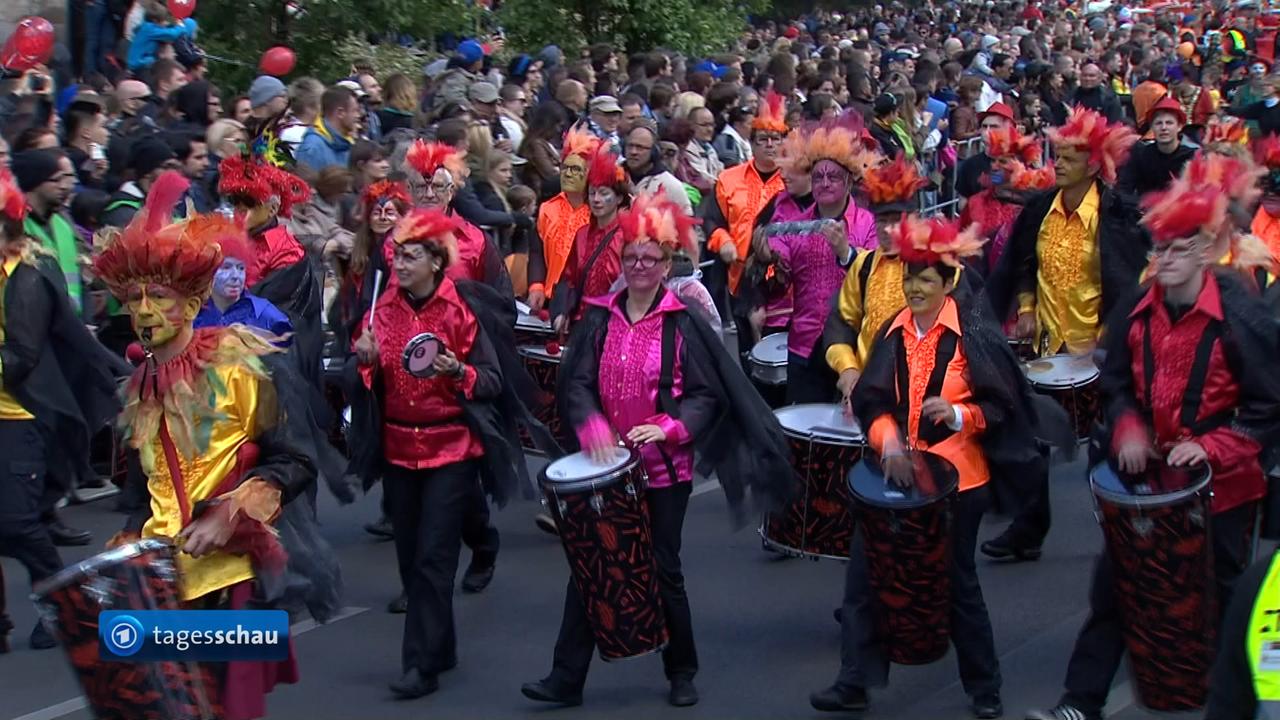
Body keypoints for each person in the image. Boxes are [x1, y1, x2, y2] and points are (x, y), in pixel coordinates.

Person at [1026, 153, 1280, 720]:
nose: (1164, 260)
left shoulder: (1242, 314)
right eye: (1159, 249)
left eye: (1178, 249)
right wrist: (1129, 428)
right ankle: (1079, 704)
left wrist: (1209, 447)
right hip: (1151, 482)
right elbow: (1115, 387)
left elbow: (1269, 410)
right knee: (1114, 588)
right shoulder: (1138, 311)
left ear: (1207, 251)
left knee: (1221, 601)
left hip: (1225, 490)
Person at [522, 192, 793, 709]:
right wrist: (591, 426)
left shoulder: (682, 321)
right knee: (589, 564)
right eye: (632, 258)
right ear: (622, 263)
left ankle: (681, 670)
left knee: (662, 567)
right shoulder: (599, 318)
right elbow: (575, 383)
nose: (640, 266)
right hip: (606, 470)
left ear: (668, 264)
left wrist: (666, 428)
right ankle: (565, 678)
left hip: (665, 470)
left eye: (651, 258)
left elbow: (705, 395)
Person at [94, 173, 342, 720]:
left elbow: (296, 459)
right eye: (134, 299)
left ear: (190, 299)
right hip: (163, 579)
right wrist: (127, 547)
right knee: (167, 707)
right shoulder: (141, 383)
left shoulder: (240, 367)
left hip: (231, 578)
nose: (144, 311)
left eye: (157, 295)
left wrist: (231, 512)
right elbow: (142, 489)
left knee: (226, 710)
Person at [812, 214, 1024, 720]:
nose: (913, 288)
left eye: (925, 280)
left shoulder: (973, 331)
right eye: (909, 278)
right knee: (863, 580)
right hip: (896, 478)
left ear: (949, 283)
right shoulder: (894, 329)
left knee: (957, 584)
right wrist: (888, 448)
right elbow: (872, 400)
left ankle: (984, 687)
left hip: (957, 482)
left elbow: (1002, 406)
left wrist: (958, 414)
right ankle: (854, 681)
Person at [346, 207, 532, 699]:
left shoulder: (460, 311)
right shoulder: (380, 309)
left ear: (435, 260)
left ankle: (420, 665)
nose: (400, 264)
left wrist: (457, 372)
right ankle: (441, 645)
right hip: (398, 446)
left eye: (411, 256)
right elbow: (369, 380)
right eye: (397, 256)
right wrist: (364, 361)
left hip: (452, 448)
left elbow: (491, 381)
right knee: (410, 558)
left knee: (433, 558)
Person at [983, 106, 1140, 562]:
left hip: (1100, 352)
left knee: (1107, 446)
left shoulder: (1117, 213)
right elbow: (1024, 265)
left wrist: (1110, 336)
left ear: (1093, 163)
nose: (1061, 163)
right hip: (1047, 348)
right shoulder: (1038, 209)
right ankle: (1028, 529)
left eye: (1070, 156)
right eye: (1059, 155)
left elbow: (1133, 281)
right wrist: (1026, 307)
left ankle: (1125, 530)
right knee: (1032, 442)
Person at [0, 167, 125, 652]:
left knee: (14, 522)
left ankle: (69, 603)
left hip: (22, 416)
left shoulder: (27, 275)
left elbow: (21, 358)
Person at [754, 114, 877, 404]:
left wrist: (846, 254)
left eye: (832, 176)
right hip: (804, 346)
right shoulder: (793, 225)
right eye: (818, 176)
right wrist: (767, 260)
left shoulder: (867, 223)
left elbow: (877, 275)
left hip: (853, 346)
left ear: (849, 181)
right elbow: (778, 272)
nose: (824, 183)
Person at [216, 152, 325, 390]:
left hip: (270, 351)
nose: (240, 212)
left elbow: (276, 311)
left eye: (251, 204)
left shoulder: (287, 252)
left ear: (273, 208)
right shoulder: (227, 240)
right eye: (236, 203)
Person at [824, 155, 927, 402]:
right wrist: (848, 368)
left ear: (916, 218)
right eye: (882, 221)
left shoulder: (940, 265)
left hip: (922, 395)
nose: (888, 230)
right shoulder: (864, 265)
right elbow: (840, 324)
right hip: (870, 395)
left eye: (897, 221)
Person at [704, 91, 789, 326]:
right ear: (751, 143)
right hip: (740, 277)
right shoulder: (728, 179)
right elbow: (712, 222)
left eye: (776, 138)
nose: (769, 144)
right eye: (762, 139)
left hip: (784, 280)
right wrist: (724, 242)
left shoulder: (795, 181)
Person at [403, 139, 513, 299]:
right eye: (421, 187)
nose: (429, 194)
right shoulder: (392, 242)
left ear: (450, 192)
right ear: (410, 191)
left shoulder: (477, 242)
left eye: (437, 186)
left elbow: (500, 304)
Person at [957, 124, 1055, 272]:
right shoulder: (975, 202)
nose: (994, 167)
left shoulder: (1036, 204)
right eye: (993, 161)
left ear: (1021, 165)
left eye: (1003, 161)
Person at [551, 145, 629, 327]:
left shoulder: (628, 235)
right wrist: (561, 312)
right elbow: (567, 279)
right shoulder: (582, 234)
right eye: (592, 193)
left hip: (614, 322)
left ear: (619, 198)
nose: (596, 199)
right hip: (581, 322)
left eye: (604, 193)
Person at [529, 127, 600, 312]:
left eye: (575, 169)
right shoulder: (547, 208)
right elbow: (537, 252)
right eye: (565, 168)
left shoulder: (599, 212)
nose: (567, 174)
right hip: (550, 301)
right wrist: (536, 285)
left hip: (586, 302)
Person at [194, 241, 294, 340]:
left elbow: (289, 348)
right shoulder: (194, 310)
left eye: (241, 268)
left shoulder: (264, 313)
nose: (235, 276)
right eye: (226, 267)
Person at [1114, 97, 1198, 199]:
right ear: (1152, 127)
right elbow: (1124, 188)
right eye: (1158, 123)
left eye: (1169, 123)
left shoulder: (1192, 157)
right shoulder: (1141, 155)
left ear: (1179, 127)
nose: (1163, 128)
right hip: (1144, 211)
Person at [296, 86, 359, 174]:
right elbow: (306, 185)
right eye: (355, 111)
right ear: (340, 113)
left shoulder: (347, 143)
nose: (358, 116)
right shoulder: (312, 148)